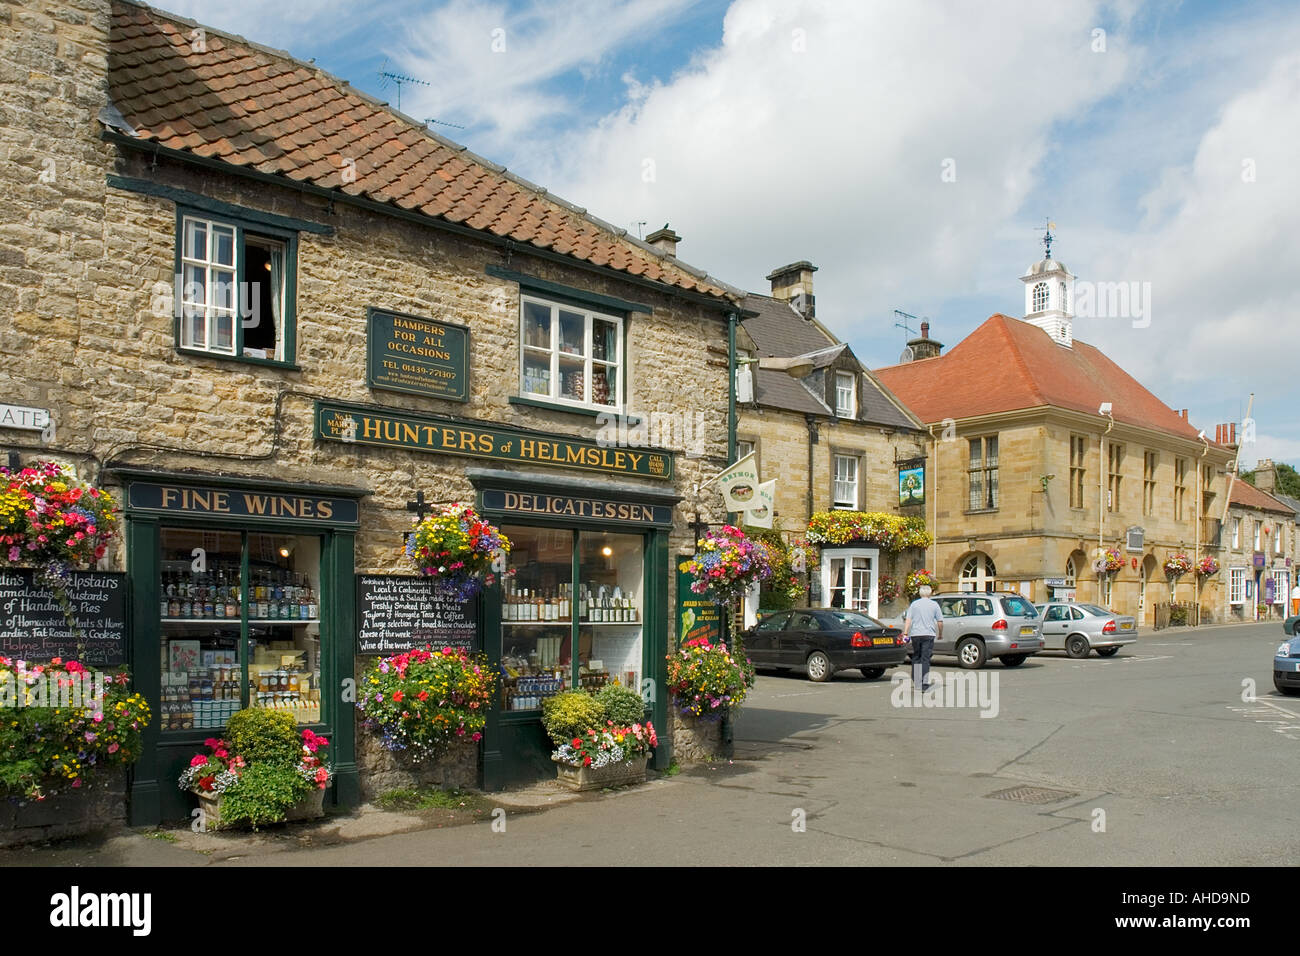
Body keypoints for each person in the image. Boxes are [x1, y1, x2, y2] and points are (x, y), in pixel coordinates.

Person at [902, 583, 943, 691]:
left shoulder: (914, 604)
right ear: (929, 593)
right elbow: (939, 621)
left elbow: (908, 619)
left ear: (920, 593)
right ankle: (924, 684)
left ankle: (916, 681)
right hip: (929, 634)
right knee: (925, 658)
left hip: (916, 634)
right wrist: (940, 633)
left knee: (916, 656)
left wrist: (905, 633)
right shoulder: (934, 605)